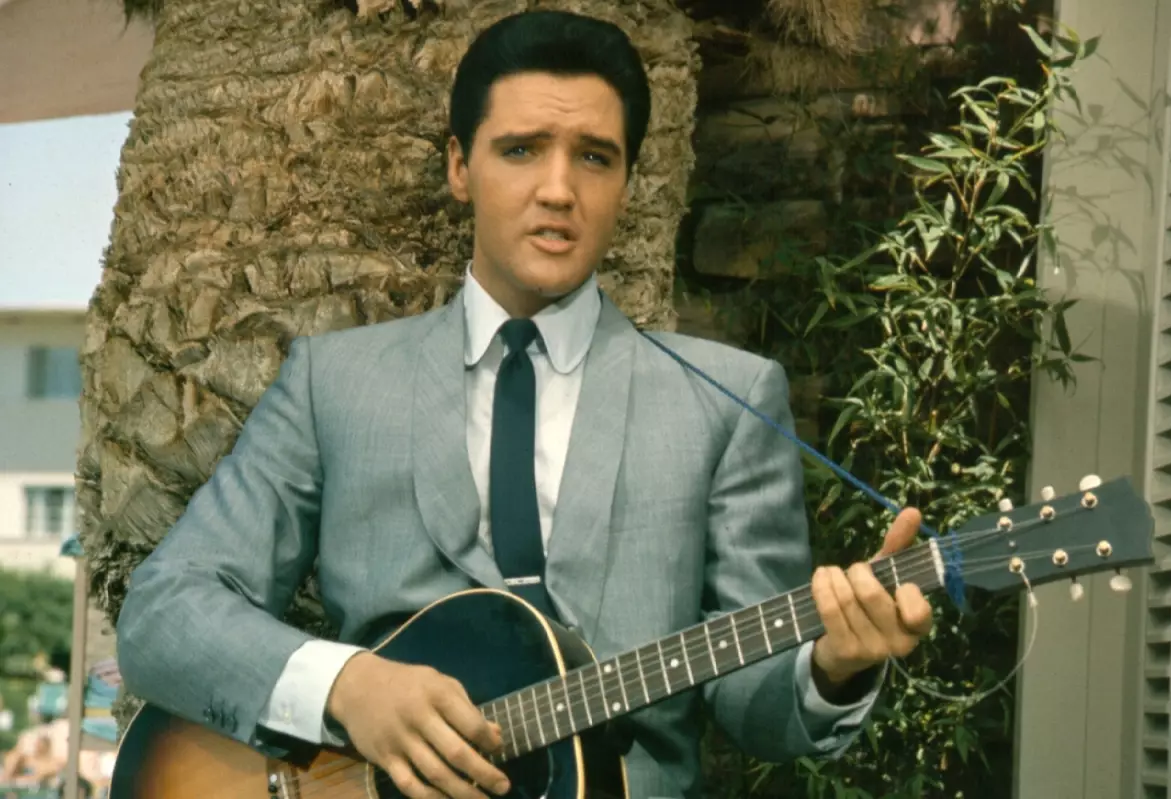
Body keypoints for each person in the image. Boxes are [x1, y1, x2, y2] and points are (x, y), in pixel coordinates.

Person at [115, 9, 933, 799]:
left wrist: (833, 666)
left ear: (625, 183)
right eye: (521, 149)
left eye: (594, 157)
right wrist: (348, 686)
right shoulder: (336, 383)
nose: (558, 189)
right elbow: (164, 612)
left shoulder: (723, 401)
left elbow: (758, 704)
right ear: (459, 167)